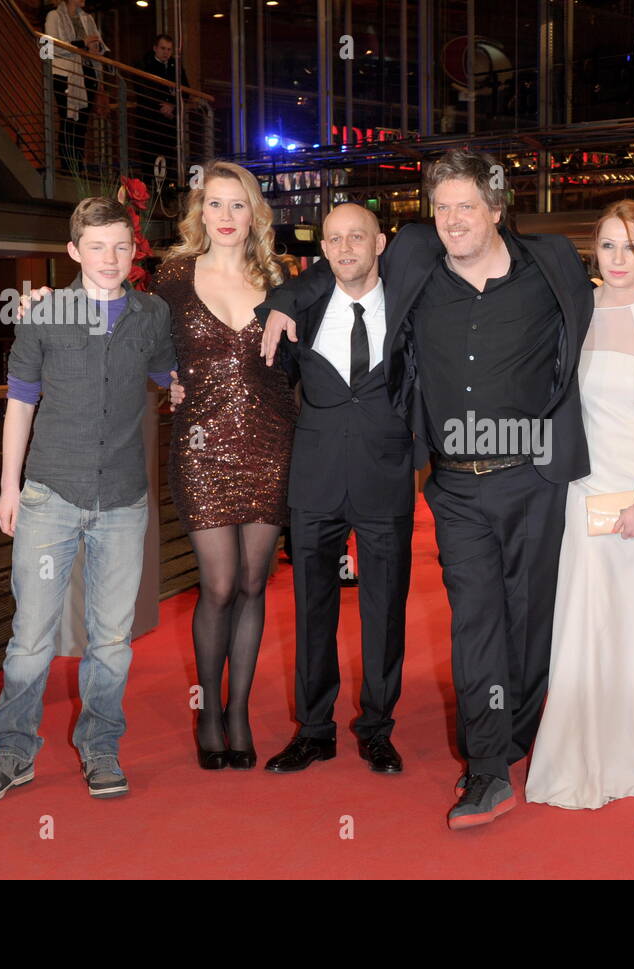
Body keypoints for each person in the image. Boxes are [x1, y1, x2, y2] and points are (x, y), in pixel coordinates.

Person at [260, 148, 594, 830]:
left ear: (497, 209)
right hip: (456, 487)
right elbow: (339, 264)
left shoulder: (550, 265)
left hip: (532, 478)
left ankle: (515, 728)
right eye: (441, 207)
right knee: (475, 623)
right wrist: (280, 300)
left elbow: (607, 307)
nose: (450, 220)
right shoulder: (415, 258)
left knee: (529, 626)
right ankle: (487, 767)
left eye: (465, 205)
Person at [0, 197, 176, 802]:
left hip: (125, 498)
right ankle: (14, 751)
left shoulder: (152, 314)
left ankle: (101, 744)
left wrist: (182, 387)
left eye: (122, 246)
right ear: (74, 251)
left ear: (135, 252)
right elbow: (20, 403)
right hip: (49, 494)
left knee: (111, 638)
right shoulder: (44, 315)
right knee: (31, 635)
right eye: (97, 246)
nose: (110, 258)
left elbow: (166, 375)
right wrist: (9, 488)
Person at [206, 203, 415, 777]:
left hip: (385, 478)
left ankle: (377, 728)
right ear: (322, 248)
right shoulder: (300, 305)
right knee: (312, 610)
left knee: (385, 611)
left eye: (357, 237)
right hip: (315, 480)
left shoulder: (409, 305)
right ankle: (315, 730)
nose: (345, 249)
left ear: (381, 242)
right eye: (333, 239)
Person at [524, 201, 634, 810]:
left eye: (630, 246)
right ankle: (583, 762)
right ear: (593, 252)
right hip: (585, 488)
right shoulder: (572, 313)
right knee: (587, 626)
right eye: (608, 246)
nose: (618, 259)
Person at [159, 161, 297, 770]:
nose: (226, 217)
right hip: (200, 448)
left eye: (238, 205)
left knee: (251, 582)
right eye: (215, 204)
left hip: (270, 442)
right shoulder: (171, 276)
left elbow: (302, 361)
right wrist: (158, 379)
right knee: (216, 584)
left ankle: (237, 709)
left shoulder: (281, 279)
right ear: (200, 211)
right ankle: (208, 712)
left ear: (254, 213)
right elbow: (137, 341)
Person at [45, 0, 107, 172]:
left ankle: (78, 166)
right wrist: (83, 43)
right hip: (65, 74)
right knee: (69, 119)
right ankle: (68, 167)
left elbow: (99, 43)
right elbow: (52, 47)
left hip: (87, 72)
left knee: (82, 123)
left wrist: (96, 46)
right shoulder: (54, 16)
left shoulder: (87, 18)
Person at [135, 33, 188, 184]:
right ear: (155, 48)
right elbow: (143, 90)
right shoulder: (143, 64)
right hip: (150, 121)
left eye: (169, 49)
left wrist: (172, 105)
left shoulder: (175, 66)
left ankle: (165, 191)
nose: (166, 52)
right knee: (149, 160)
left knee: (168, 160)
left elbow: (186, 90)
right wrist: (161, 107)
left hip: (169, 123)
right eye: (163, 48)